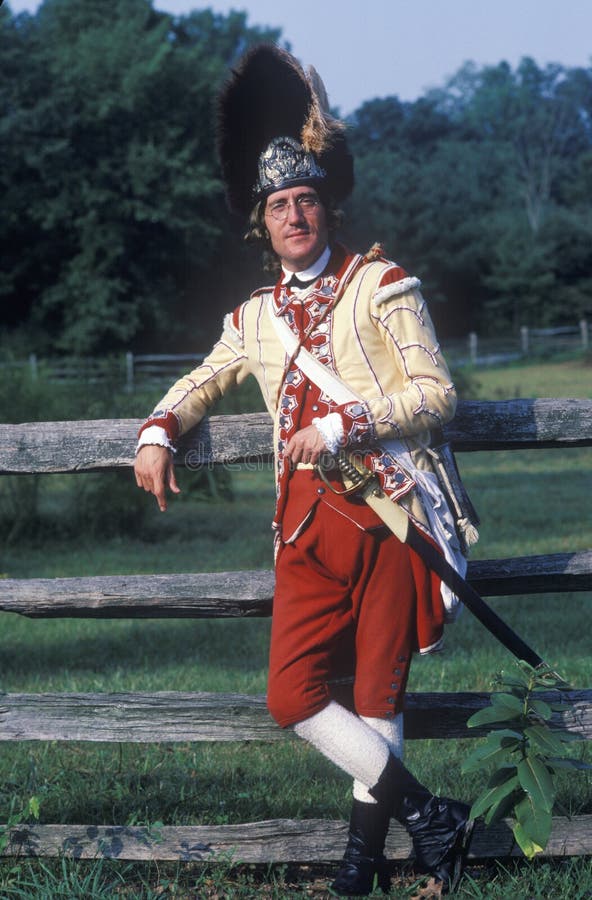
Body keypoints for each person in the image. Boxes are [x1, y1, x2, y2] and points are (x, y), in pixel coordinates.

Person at [134, 45, 474, 896]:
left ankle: (359, 867)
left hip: (391, 521)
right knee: (292, 695)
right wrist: (158, 429)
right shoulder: (252, 318)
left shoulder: (383, 283)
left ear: (328, 208)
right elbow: (201, 379)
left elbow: (436, 393)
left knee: (379, 694)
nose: (295, 215)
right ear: (262, 222)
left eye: (307, 200)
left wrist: (348, 420)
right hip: (306, 531)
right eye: (280, 205)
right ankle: (431, 813)